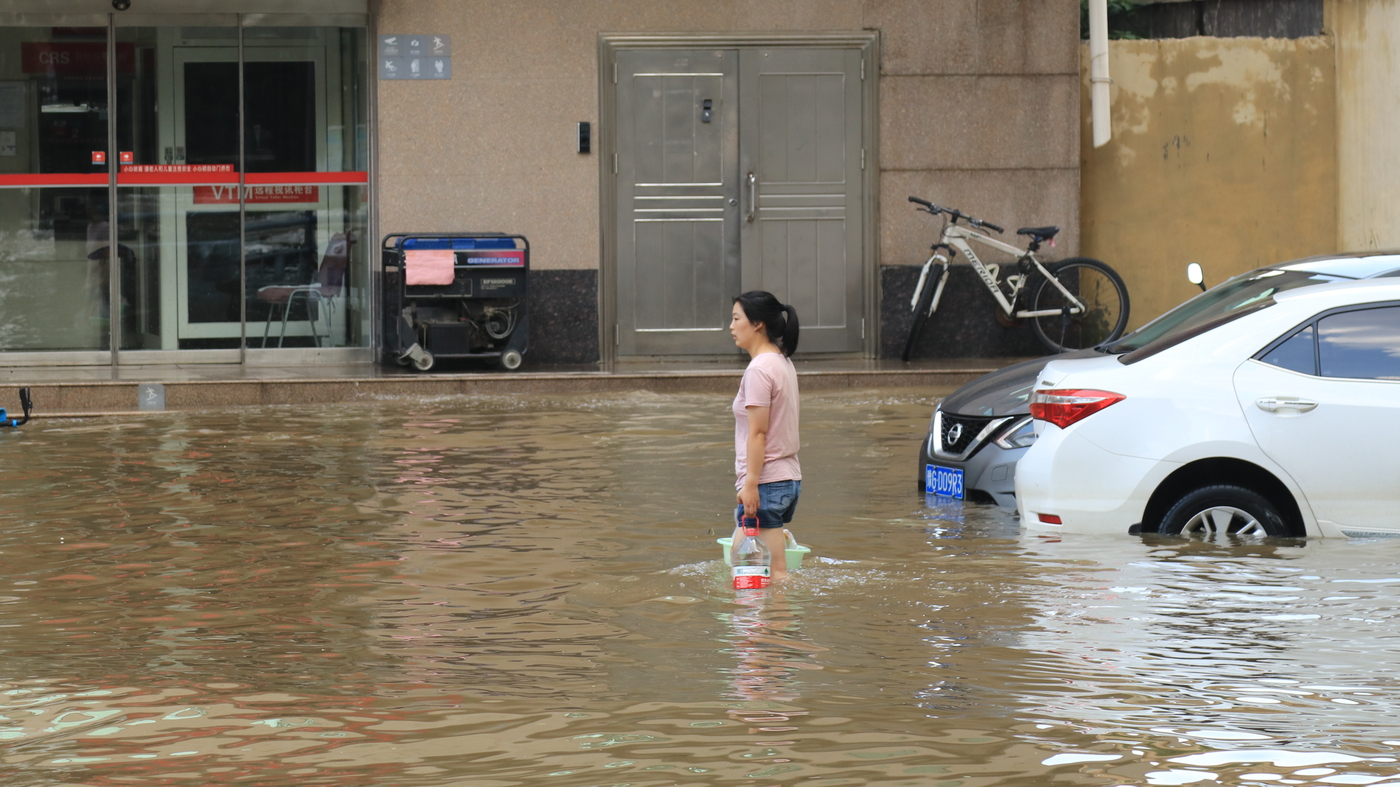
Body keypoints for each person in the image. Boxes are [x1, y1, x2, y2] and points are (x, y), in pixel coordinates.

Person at [729, 291, 801, 581]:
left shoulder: (759, 369)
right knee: (743, 571)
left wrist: (750, 485)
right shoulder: (781, 362)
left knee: (774, 575)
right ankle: (755, 627)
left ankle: (781, 626)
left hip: (766, 484)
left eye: (736, 319)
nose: (731, 327)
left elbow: (758, 433)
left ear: (757, 324)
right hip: (785, 478)